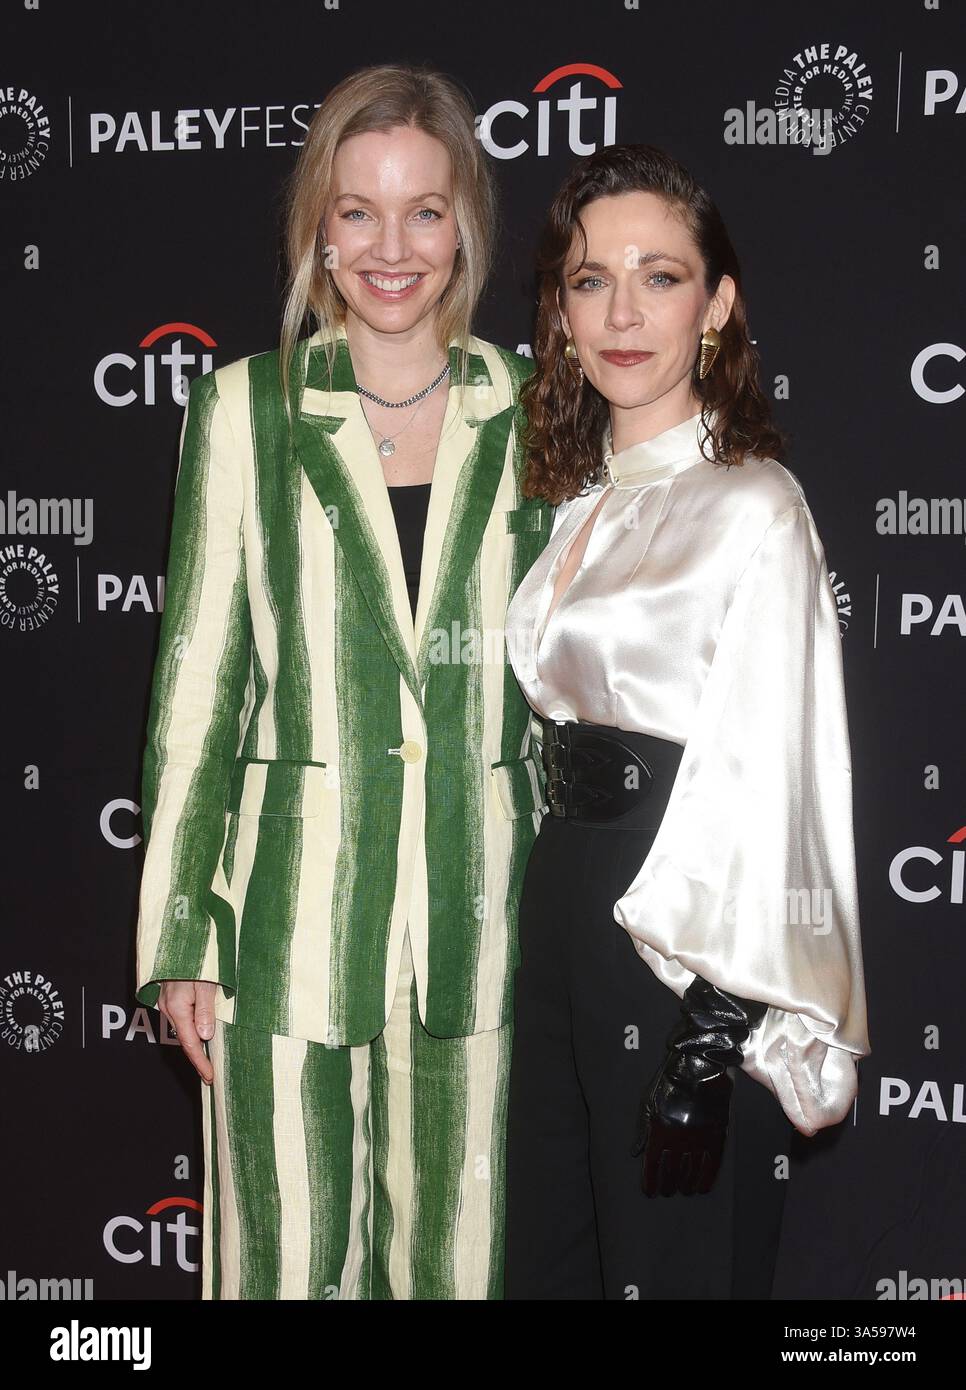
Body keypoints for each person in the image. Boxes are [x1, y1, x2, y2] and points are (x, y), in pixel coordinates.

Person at [134, 64, 552, 1301]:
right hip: (282, 928)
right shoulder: (243, 412)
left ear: (467, 222)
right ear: (316, 222)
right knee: (284, 1267)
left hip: (484, 924)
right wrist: (178, 939)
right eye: (357, 210)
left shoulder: (537, 411)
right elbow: (197, 686)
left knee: (460, 1272)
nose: (391, 246)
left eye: (425, 209)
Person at [502, 143, 871, 1300]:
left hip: (686, 940)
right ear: (558, 313)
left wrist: (713, 1029)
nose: (623, 313)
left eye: (659, 278)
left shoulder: (756, 504)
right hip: (562, 902)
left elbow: (778, 781)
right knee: (555, 1264)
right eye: (589, 279)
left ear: (717, 304)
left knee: (680, 1273)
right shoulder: (577, 505)